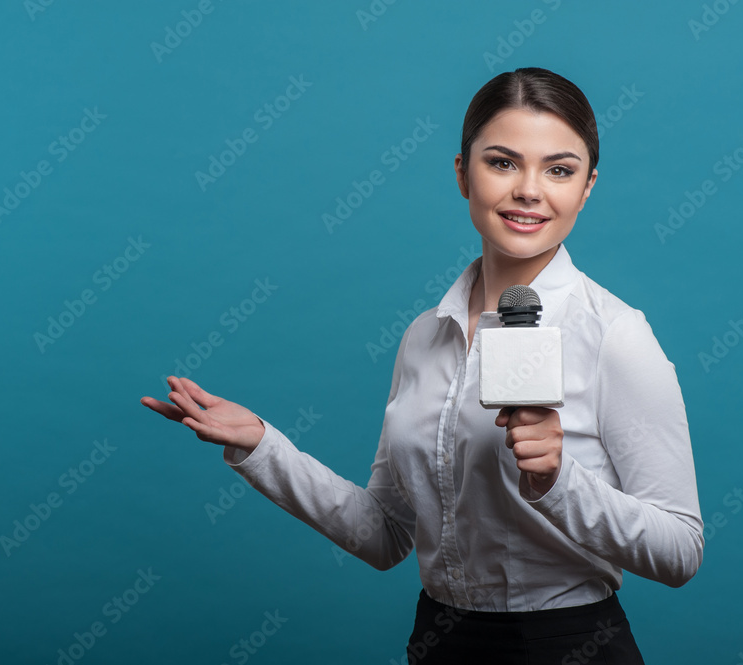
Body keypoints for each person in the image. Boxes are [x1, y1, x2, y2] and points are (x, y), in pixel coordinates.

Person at [141, 67, 703, 664]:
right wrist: (262, 445)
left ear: (587, 187)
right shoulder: (422, 337)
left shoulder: (615, 334)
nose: (530, 190)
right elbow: (385, 534)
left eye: (559, 169)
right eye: (503, 162)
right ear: (463, 173)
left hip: (570, 645)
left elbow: (680, 552)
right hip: (441, 642)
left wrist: (561, 483)